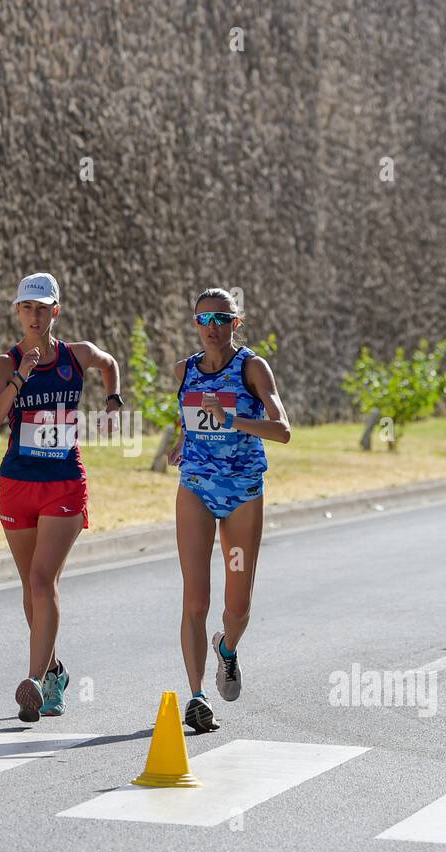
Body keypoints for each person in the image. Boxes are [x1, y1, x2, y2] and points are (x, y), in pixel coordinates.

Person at [0, 272, 124, 721]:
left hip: (63, 481)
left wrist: (113, 399)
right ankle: (55, 671)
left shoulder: (76, 355)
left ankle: (34, 681)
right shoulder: (6, 363)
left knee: (43, 581)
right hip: (17, 483)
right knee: (31, 588)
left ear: (55, 311)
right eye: (27, 308)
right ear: (18, 312)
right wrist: (19, 380)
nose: (35, 315)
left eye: (43, 308)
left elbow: (109, 362)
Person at [168, 288, 291, 732]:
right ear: (195, 324)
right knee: (195, 597)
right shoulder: (184, 370)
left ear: (236, 323)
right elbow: (189, 418)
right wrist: (182, 441)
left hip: (241, 494)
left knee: (237, 608)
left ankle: (228, 649)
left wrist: (233, 421)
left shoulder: (253, 367)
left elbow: (281, 430)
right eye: (204, 319)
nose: (213, 327)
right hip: (196, 490)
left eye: (222, 318)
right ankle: (197, 696)